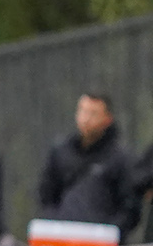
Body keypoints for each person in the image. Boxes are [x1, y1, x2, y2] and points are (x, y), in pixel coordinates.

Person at [37, 93, 140, 238]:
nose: (86, 119)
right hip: (62, 241)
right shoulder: (60, 152)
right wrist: (55, 223)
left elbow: (130, 208)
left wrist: (109, 234)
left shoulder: (121, 158)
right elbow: (46, 195)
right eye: (82, 111)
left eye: (93, 113)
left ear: (107, 119)